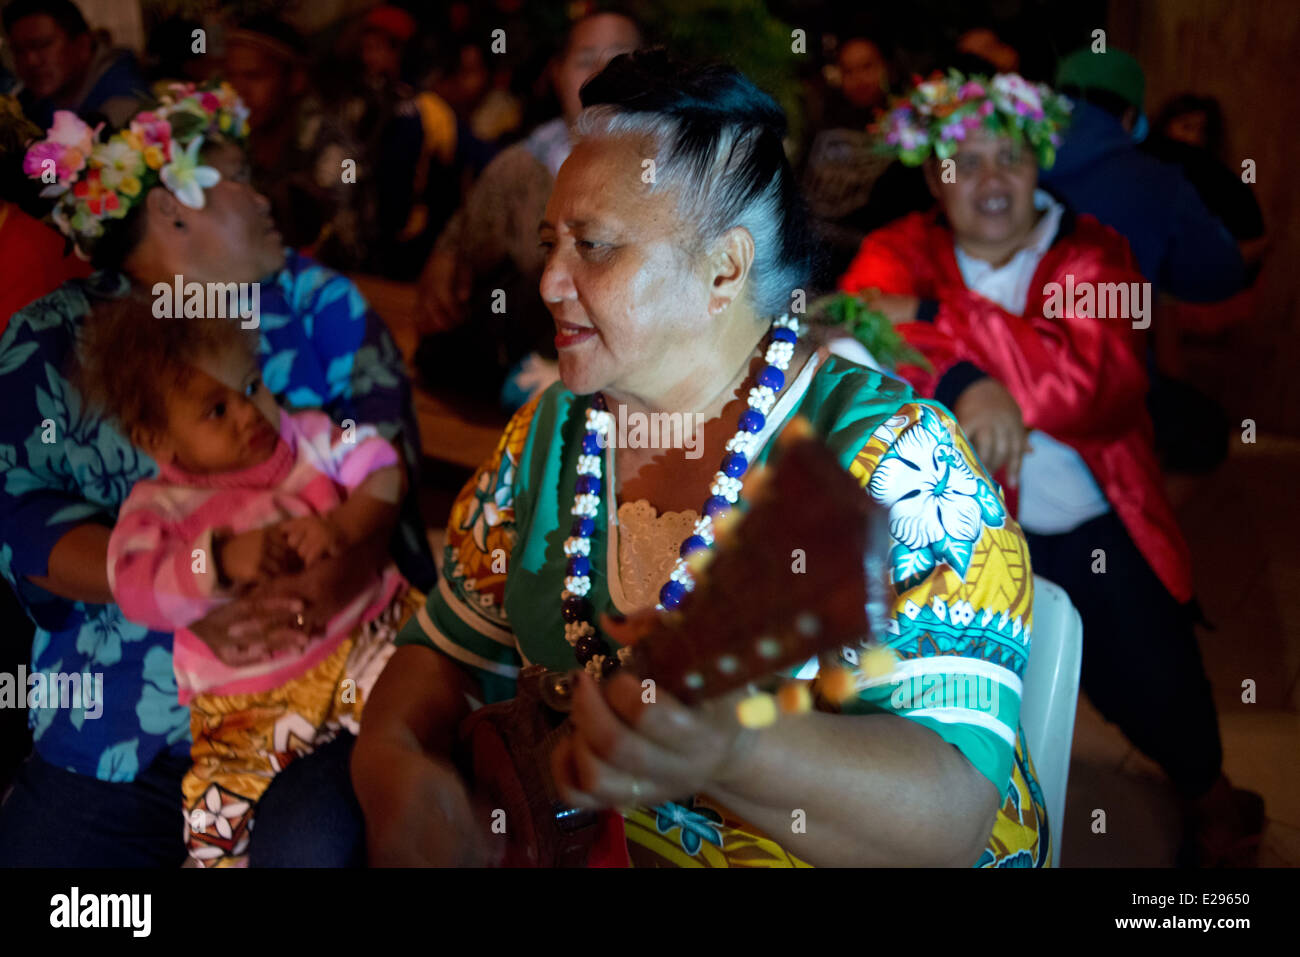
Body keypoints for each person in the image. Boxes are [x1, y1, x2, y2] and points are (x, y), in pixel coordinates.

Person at [355, 52, 1050, 869]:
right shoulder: (549, 433)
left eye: (596, 247)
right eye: (551, 243)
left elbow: (951, 816)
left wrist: (732, 751)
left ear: (724, 268)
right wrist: (392, 760)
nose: (547, 280)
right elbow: (443, 649)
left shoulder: (893, 459)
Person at [839, 70, 1264, 866]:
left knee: (1162, 689)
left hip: (1089, 525)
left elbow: (1084, 389)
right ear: (935, 176)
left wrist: (935, 321)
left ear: (1041, 166)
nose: (993, 180)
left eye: (1013, 157)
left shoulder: (1098, 253)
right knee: (953, 702)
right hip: (954, 536)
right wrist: (970, 381)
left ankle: (1213, 808)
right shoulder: (895, 248)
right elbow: (850, 337)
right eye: (969, 161)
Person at [0, 83, 430, 867]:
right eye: (239, 175)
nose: (269, 196)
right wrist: (185, 585)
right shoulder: (54, 340)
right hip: (117, 715)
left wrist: (325, 582)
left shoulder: (322, 311)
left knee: (308, 847)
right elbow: (21, 522)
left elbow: (385, 472)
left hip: (320, 686)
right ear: (170, 209)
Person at [77, 300, 413, 867]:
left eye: (251, 386)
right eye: (215, 409)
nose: (249, 413)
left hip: (365, 641)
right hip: (245, 709)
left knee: (429, 718)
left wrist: (339, 525)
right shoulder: (155, 512)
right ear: (154, 438)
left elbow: (381, 466)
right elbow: (135, 588)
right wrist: (222, 561)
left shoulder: (305, 437)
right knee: (216, 833)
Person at [414, 8, 643, 410]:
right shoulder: (519, 169)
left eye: (621, 60)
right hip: (541, 386)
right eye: (585, 61)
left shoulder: (683, 173)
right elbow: (458, 252)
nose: (604, 75)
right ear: (556, 74)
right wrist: (446, 258)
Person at [223, 17, 368, 271]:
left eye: (254, 76)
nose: (238, 92)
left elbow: (340, 245)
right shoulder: (226, 136)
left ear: (296, 80)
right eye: (231, 78)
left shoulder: (333, 148)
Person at [800, 35, 895, 289]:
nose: (859, 79)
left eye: (867, 67)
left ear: (885, 67)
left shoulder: (906, 131)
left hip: (869, 270)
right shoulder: (822, 124)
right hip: (809, 260)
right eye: (849, 71)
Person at [3, 0, 145, 129]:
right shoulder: (28, 104)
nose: (30, 61)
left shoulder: (126, 107)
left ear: (83, 45)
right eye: (18, 51)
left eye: (42, 45)